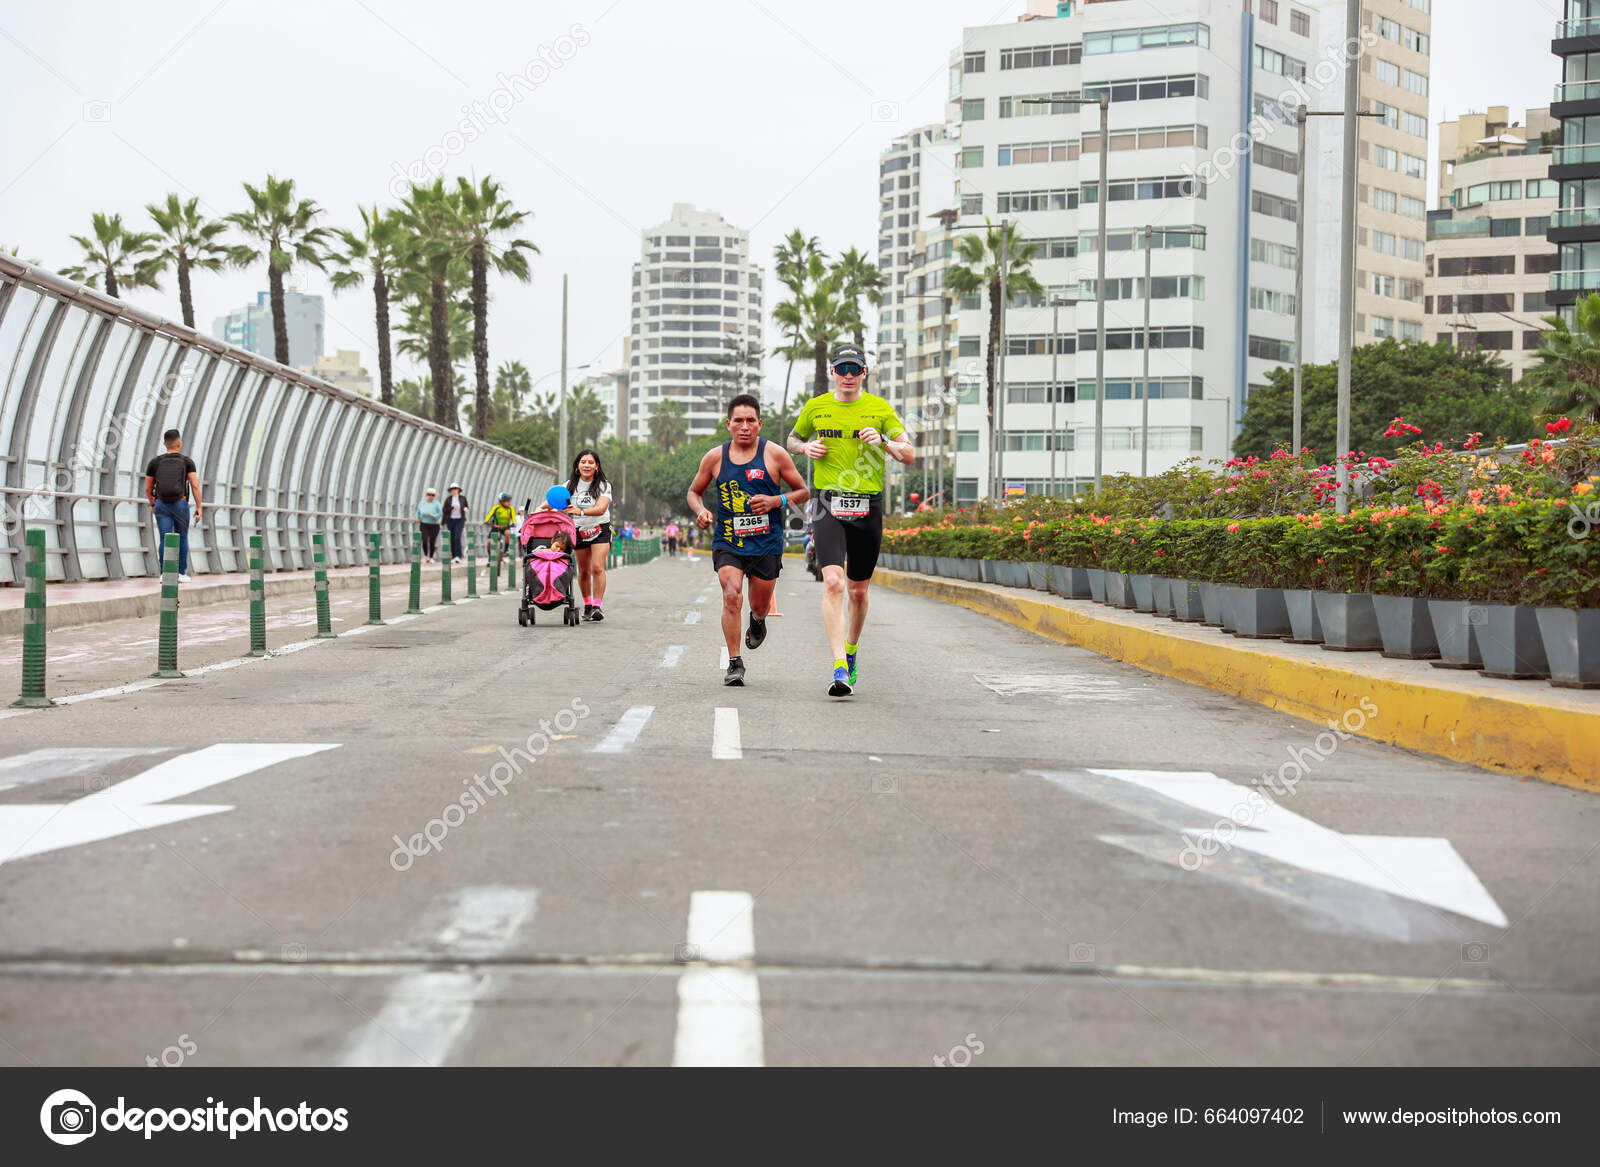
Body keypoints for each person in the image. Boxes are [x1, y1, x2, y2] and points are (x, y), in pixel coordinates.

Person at [787, 343, 914, 697]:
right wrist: (804, 448)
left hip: (867, 507)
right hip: (828, 504)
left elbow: (909, 454)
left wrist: (886, 442)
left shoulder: (879, 408)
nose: (847, 376)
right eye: (841, 369)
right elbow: (793, 438)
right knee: (833, 583)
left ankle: (852, 649)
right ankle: (839, 666)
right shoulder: (816, 407)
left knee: (858, 591)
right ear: (832, 372)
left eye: (853, 369)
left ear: (863, 374)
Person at [688, 393, 810, 686]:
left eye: (751, 421)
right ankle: (735, 662)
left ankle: (757, 620)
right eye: (739, 421)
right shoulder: (715, 457)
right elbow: (694, 492)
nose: (745, 426)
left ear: (759, 424)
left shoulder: (775, 454)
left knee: (758, 604)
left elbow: (803, 492)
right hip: (728, 540)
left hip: (766, 543)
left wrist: (775, 500)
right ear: (728, 424)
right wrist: (702, 511)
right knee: (731, 594)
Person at [542, 449, 612, 621]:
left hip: (599, 529)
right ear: (577, 466)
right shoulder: (569, 486)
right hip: (577, 531)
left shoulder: (603, 485)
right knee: (583, 571)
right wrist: (538, 510)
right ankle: (588, 606)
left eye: (590, 462)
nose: (586, 465)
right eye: (583, 462)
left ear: (596, 466)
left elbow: (601, 508)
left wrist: (579, 512)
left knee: (597, 567)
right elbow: (551, 503)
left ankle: (597, 606)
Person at [145, 428, 203, 583]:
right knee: (182, 537)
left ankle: (164, 573)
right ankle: (181, 573)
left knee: (164, 538)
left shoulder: (154, 462)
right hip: (180, 503)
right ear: (179, 443)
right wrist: (199, 507)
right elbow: (195, 485)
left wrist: (153, 504)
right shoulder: (187, 462)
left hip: (161, 504)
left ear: (165, 444)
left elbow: (148, 488)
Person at [485, 491, 517, 573]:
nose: (509, 502)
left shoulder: (511, 509)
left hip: (505, 527)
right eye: (507, 501)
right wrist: (486, 521)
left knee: (507, 533)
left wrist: (514, 523)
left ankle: (506, 549)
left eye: (509, 501)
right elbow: (489, 515)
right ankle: (490, 558)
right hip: (496, 527)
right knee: (489, 542)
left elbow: (513, 517)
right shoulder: (496, 508)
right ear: (502, 502)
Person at [443, 482, 468, 563]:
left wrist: (465, 509)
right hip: (450, 521)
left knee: (457, 537)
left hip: (460, 520)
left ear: (458, 490)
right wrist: (452, 508)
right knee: (452, 538)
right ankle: (454, 556)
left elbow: (467, 506)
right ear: (450, 491)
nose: (454, 490)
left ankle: (458, 555)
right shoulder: (448, 500)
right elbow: (445, 510)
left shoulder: (463, 498)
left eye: (455, 489)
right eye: (452, 489)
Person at [417, 487, 442, 562]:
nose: (430, 496)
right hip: (424, 524)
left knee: (432, 541)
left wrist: (434, 516)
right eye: (429, 494)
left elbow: (440, 513)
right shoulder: (422, 503)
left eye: (432, 495)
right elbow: (418, 511)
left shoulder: (437, 504)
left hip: (434, 525)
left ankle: (431, 557)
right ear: (426, 495)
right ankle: (425, 556)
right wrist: (418, 517)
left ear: (434, 496)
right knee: (424, 539)